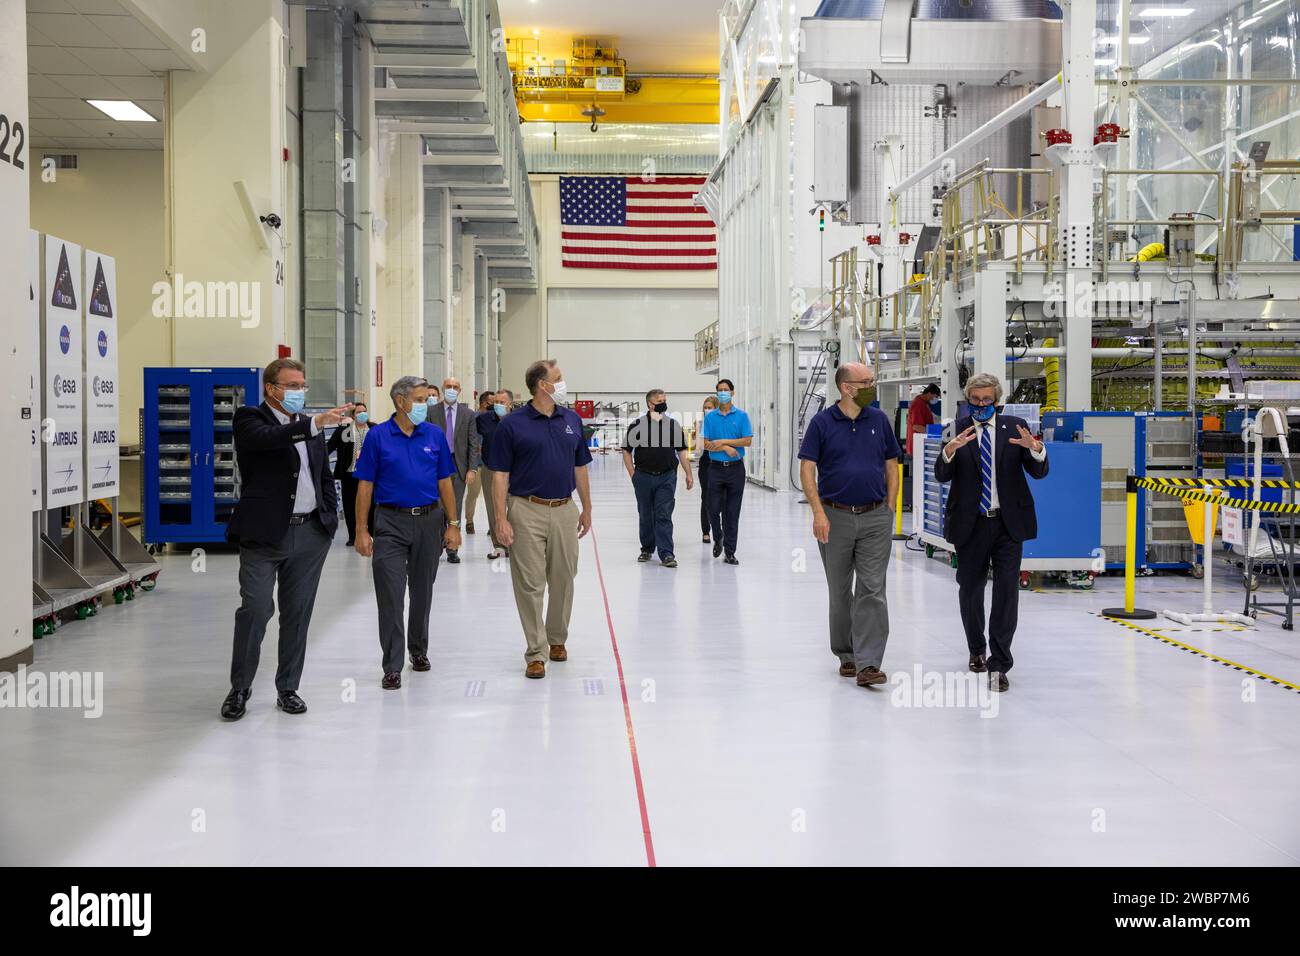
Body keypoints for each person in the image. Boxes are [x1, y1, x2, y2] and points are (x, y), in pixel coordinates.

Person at [220, 358, 354, 720]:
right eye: (291, 386)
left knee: (297, 614)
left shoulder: (306, 427)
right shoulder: (250, 419)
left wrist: (328, 519)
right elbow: (267, 440)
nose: (298, 392)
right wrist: (314, 424)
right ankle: (240, 688)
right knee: (257, 608)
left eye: (301, 386)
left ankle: (288, 688)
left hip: (310, 533)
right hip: (264, 535)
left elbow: (322, 473)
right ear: (271, 388)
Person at [933, 372, 1048, 693]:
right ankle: (976, 650)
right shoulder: (956, 429)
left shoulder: (1015, 428)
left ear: (997, 401)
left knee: (1006, 593)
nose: (981, 405)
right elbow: (941, 475)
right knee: (970, 590)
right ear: (967, 401)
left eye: (987, 401)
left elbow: (1038, 472)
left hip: (1007, 524)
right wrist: (950, 450)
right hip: (971, 524)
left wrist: (1036, 449)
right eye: (975, 401)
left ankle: (1000, 664)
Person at [352, 376, 462, 689]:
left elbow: (445, 482)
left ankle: (418, 650)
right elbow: (365, 485)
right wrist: (362, 530)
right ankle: (392, 664)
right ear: (400, 401)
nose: (426, 404)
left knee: (422, 591)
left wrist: (453, 525)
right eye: (420, 398)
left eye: (428, 398)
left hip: (429, 521)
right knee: (390, 593)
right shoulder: (378, 436)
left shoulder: (435, 435)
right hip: (390, 522)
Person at [487, 360, 593, 679]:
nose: (562, 384)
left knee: (564, 577)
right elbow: (499, 476)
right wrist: (500, 519)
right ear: (541, 385)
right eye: (557, 379)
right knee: (530, 583)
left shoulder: (571, 419)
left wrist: (586, 507)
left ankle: (557, 638)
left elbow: (581, 468)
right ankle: (536, 651)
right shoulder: (513, 425)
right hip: (525, 508)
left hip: (564, 508)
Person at [798, 363, 901, 687]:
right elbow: (807, 470)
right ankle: (846, 654)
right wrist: (818, 513)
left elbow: (892, 465)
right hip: (835, 517)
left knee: (872, 589)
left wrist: (889, 508)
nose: (872, 385)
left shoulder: (879, 420)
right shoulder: (822, 423)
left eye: (873, 380)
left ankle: (869, 663)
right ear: (846, 387)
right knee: (840, 592)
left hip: (874, 517)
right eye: (866, 381)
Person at [623, 388, 693, 567]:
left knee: (663, 515)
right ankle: (647, 548)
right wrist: (633, 474)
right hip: (643, 477)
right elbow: (626, 451)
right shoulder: (637, 425)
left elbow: (682, 450)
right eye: (660, 400)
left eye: (665, 400)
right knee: (645, 514)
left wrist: (689, 473)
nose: (664, 403)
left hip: (667, 477)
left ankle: (666, 553)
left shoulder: (673, 425)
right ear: (650, 404)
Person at [698, 378, 752, 565]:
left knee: (732, 512)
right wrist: (724, 448)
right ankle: (718, 536)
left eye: (726, 390)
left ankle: (730, 552)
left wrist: (722, 442)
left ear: (732, 393)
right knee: (712, 508)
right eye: (720, 390)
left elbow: (747, 440)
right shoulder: (710, 418)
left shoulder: (742, 416)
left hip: (736, 470)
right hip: (715, 469)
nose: (723, 392)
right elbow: (706, 444)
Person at [429, 377, 478, 564]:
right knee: (437, 507)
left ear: (460, 390)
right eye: (448, 386)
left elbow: (473, 443)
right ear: (443, 389)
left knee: (455, 507)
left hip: (459, 466)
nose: (451, 389)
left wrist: (472, 468)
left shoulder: (468, 414)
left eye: (455, 387)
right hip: (436, 465)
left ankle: (452, 547)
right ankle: (436, 544)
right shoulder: (431, 411)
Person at [473, 389, 510, 559]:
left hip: (514, 471)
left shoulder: (518, 420)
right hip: (490, 469)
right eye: (496, 402)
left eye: (502, 402)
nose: (498, 405)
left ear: (510, 404)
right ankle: (499, 545)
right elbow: (471, 436)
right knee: (493, 506)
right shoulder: (484, 419)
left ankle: (514, 544)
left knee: (515, 507)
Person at [326, 400, 369, 546]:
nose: (362, 414)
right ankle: (353, 536)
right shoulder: (344, 430)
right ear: (353, 415)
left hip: (369, 475)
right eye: (359, 412)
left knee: (371, 504)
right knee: (350, 505)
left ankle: (371, 533)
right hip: (349, 474)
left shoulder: (374, 429)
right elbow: (329, 447)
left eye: (364, 411)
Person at [462, 391, 495, 534]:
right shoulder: (473, 418)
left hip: (490, 463)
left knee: (492, 496)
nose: (494, 405)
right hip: (475, 463)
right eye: (492, 402)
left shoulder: (495, 419)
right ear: (483, 403)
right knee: (473, 494)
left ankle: (492, 525)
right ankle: (469, 521)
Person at [904, 383, 940, 512]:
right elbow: (917, 427)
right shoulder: (918, 404)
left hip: (919, 448)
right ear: (929, 393)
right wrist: (934, 434)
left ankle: (918, 505)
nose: (935, 399)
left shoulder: (923, 404)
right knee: (918, 480)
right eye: (935, 396)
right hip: (917, 449)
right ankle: (916, 505)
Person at [695, 395, 720, 545]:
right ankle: (706, 531)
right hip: (706, 463)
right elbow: (699, 447)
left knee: (720, 498)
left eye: (710, 407)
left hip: (719, 461)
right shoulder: (700, 423)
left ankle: (719, 528)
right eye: (705, 407)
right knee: (706, 497)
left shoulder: (722, 423)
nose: (707, 410)